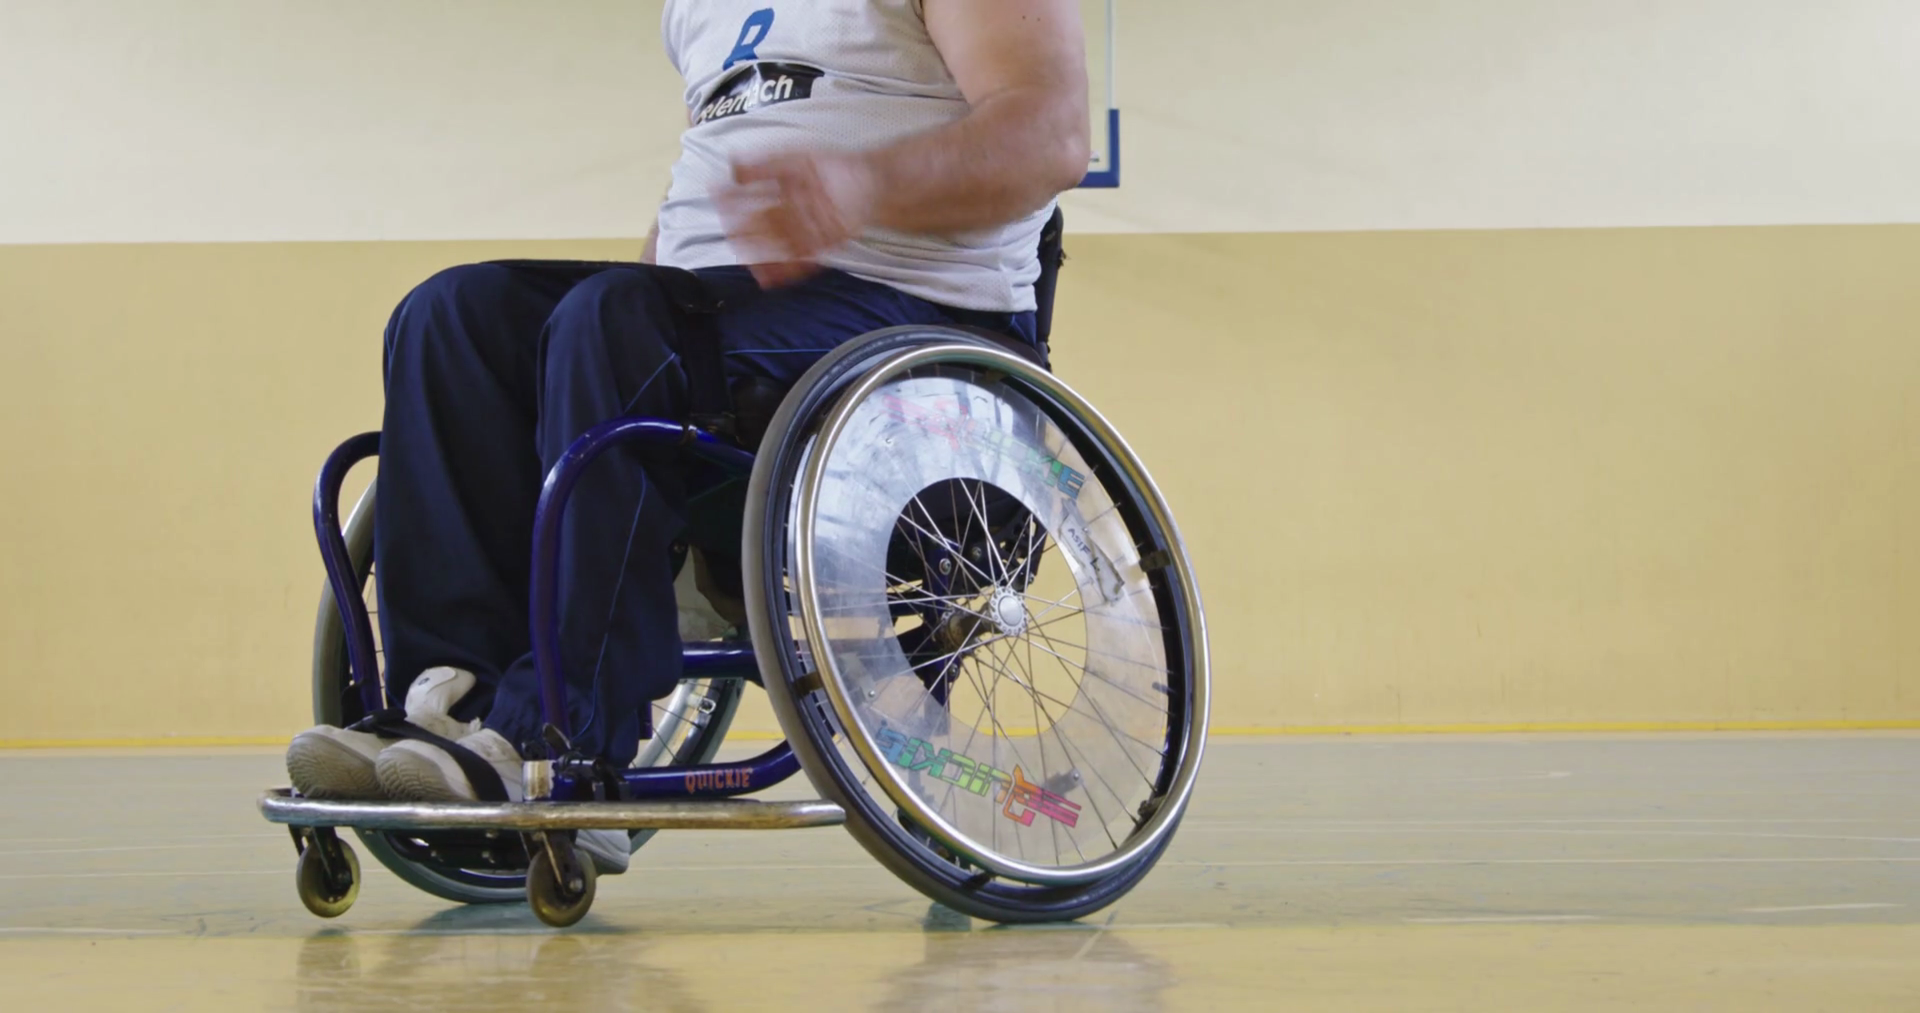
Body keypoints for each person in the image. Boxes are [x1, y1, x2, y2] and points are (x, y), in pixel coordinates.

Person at [283, 0, 1091, 876]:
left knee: (617, 319)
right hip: (722, 317)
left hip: (913, 329)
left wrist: (862, 184)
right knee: (452, 314)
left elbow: (1049, 136)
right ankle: (447, 710)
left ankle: (564, 738)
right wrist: (604, 328)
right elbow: (681, 235)